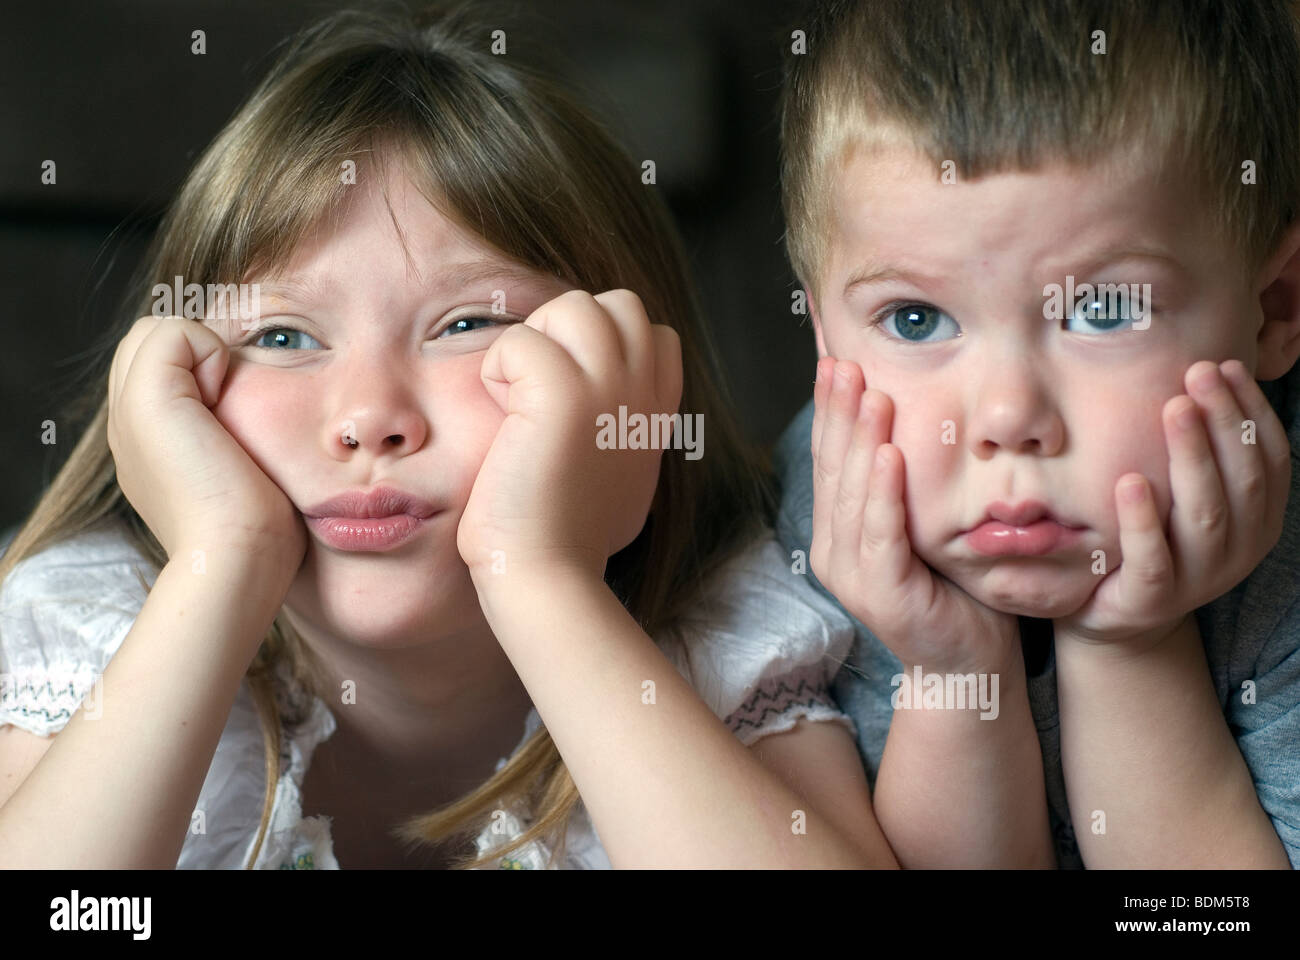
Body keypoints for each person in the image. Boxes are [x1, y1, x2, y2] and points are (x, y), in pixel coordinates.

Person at [0, 2, 894, 869]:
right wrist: (221, 561)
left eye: (468, 324)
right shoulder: (101, 625)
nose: (367, 418)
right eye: (281, 338)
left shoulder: (726, 631)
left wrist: (541, 575)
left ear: (629, 379)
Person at [773, 0, 1300, 867]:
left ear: (1274, 308)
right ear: (825, 338)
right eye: (914, 320)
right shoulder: (828, 532)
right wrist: (952, 672)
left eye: (1102, 310)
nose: (1008, 417)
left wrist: (1129, 647)